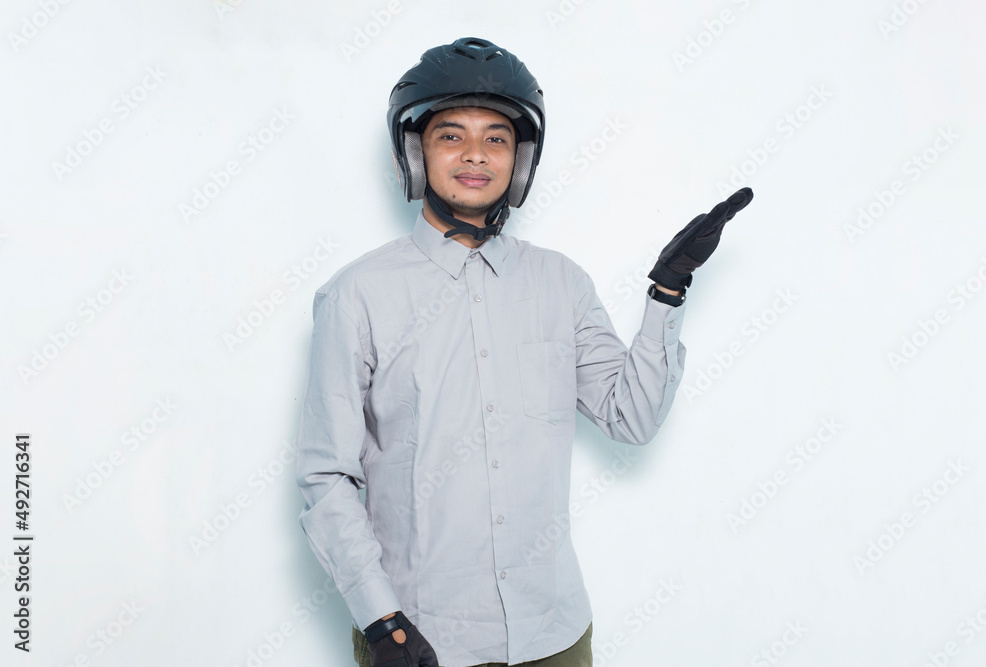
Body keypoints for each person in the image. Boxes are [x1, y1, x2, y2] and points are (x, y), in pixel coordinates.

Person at [294, 37, 753, 667]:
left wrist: (667, 292)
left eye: (497, 138)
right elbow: (326, 477)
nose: (476, 155)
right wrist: (380, 621)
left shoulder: (561, 283)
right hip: (418, 638)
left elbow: (633, 418)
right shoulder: (357, 295)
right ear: (415, 152)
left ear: (520, 159)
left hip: (553, 634)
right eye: (451, 136)